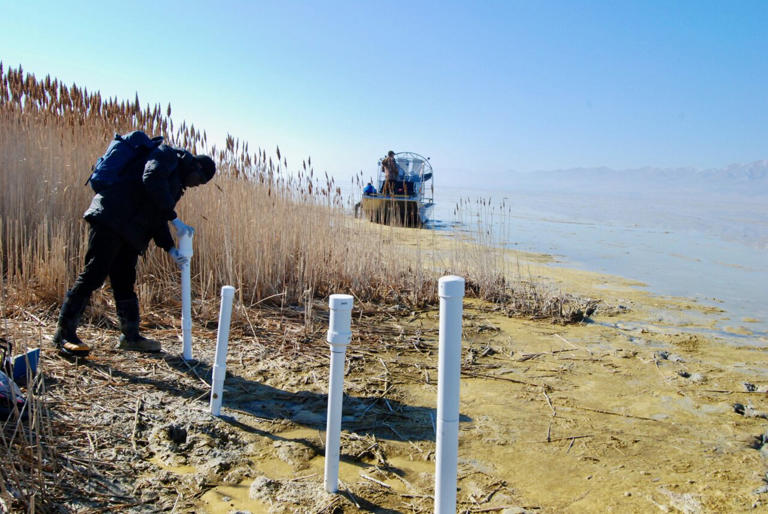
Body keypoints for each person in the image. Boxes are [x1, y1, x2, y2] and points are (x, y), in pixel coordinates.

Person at [52, 143, 216, 357]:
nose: (196, 186)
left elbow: (158, 215)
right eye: (200, 181)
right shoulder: (166, 156)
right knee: (94, 274)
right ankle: (64, 334)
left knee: (125, 281)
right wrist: (175, 219)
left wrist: (170, 249)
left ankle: (131, 337)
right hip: (111, 217)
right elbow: (151, 179)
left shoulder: (175, 184)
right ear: (196, 166)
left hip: (130, 230)